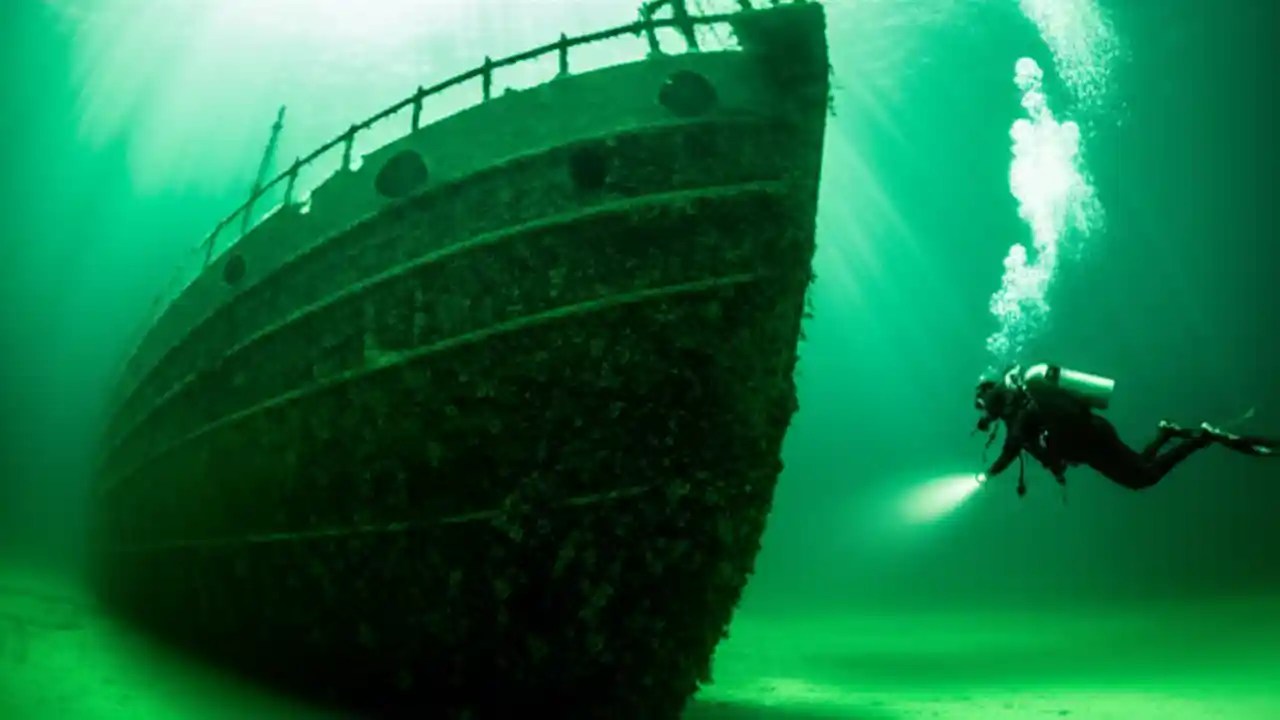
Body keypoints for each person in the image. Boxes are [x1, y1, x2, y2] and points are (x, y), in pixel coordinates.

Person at [973, 363, 1274, 496]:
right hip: (1096, 432)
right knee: (1139, 466)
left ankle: (1204, 438)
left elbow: (1013, 447)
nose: (985, 413)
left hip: (1091, 444)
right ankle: (1165, 433)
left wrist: (988, 475)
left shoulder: (1019, 413)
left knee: (1143, 479)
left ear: (991, 400)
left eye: (984, 405)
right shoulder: (1027, 402)